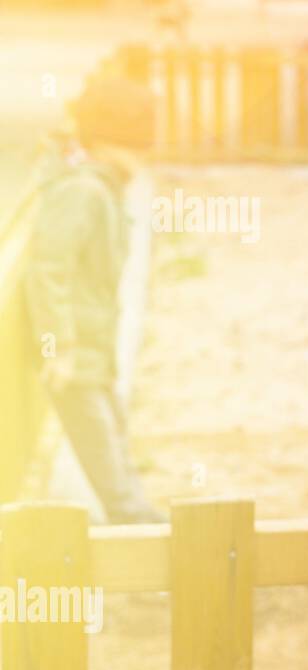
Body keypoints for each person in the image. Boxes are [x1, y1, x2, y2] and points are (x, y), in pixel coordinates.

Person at [23, 75, 164, 526]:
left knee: (113, 426)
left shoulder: (104, 187)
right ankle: (131, 517)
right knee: (97, 435)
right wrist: (58, 345)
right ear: (107, 143)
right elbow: (49, 269)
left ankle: (133, 508)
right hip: (74, 351)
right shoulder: (82, 192)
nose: (145, 159)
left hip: (95, 341)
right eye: (139, 148)